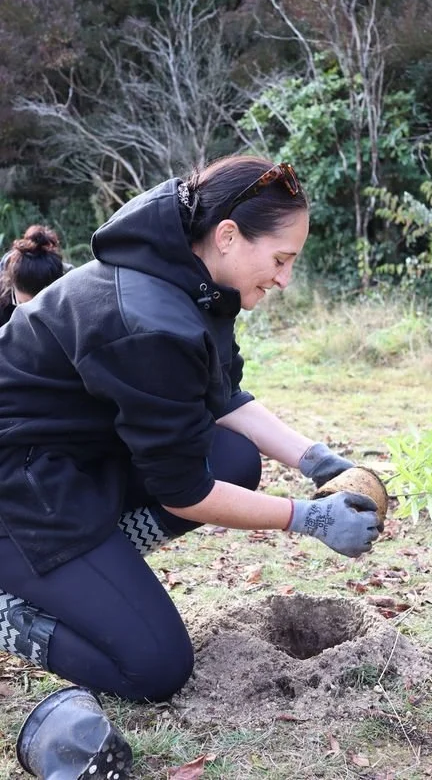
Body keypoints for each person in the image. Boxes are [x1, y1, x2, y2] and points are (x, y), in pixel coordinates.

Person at [0, 156, 380, 779]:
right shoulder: (148, 318)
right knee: (156, 668)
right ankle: (19, 600)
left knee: (234, 457)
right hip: (22, 488)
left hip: (74, 459)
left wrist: (317, 460)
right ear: (228, 236)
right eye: (281, 259)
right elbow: (183, 491)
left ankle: (97, 563)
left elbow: (222, 399)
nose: (286, 279)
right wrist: (308, 518)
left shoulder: (191, 282)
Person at [0, 224, 71, 326]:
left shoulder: (70, 287)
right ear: (11, 284)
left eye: (38, 306)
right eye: (22, 304)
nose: (30, 313)